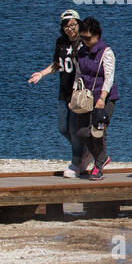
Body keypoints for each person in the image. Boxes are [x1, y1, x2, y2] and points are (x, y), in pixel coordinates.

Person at [27, 9, 85, 175]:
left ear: (78, 24)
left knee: (74, 128)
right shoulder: (61, 42)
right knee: (63, 128)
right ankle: (85, 150)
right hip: (64, 91)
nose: (70, 28)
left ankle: (76, 163)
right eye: (66, 26)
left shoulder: (83, 43)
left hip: (78, 93)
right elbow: (57, 64)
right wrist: (41, 74)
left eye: (73, 25)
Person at [71, 17, 117, 181]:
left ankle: (98, 166)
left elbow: (109, 78)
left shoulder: (106, 52)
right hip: (86, 98)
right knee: (81, 131)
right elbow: (78, 75)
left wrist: (102, 98)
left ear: (97, 35)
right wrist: (74, 96)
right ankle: (102, 157)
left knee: (98, 133)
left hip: (104, 97)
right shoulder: (80, 51)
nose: (85, 41)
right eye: (82, 38)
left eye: (88, 38)